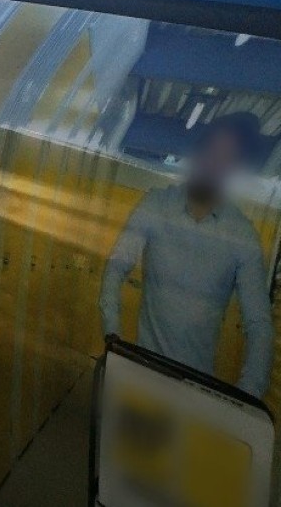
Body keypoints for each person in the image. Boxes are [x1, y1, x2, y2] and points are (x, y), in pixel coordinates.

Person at [100, 112, 272, 398]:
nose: (215, 163)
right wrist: (112, 336)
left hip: (197, 390)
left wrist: (248, 396)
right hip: (141, 375)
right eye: (212, 151)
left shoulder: (242, 237)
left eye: (227, 157)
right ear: (198, 152)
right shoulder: (155, 206)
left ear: (235, 167)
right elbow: (117, 267)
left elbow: (259, 325)